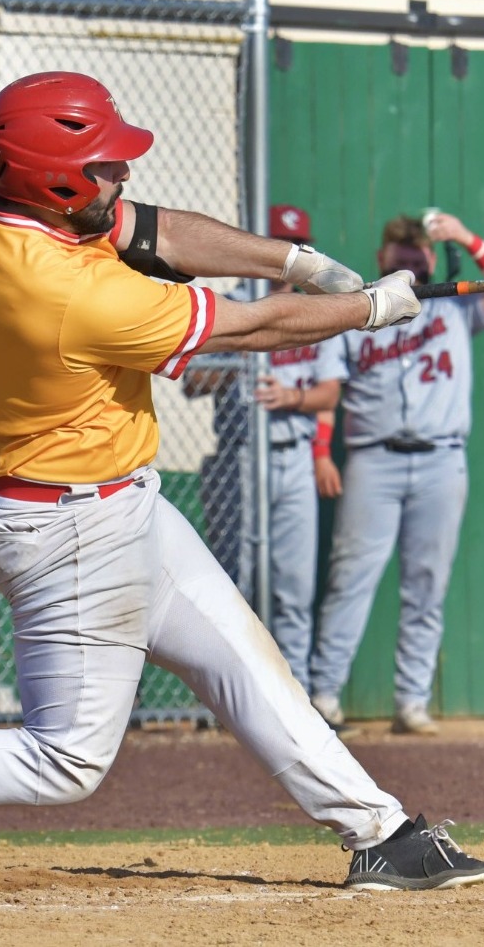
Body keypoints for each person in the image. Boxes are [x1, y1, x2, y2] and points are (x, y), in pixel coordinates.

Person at [0, 71, 484, 894]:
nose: (120, 175)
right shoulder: (72, 296)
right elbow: (252, 327)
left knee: (245, 662)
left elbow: (153, 231)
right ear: (54, 182)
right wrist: (369, 309)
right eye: (103, 165)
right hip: (66, 532)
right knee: (65, 763)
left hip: (122, 506)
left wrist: (294, 260)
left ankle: (382, 834)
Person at [308, 211, 484, 736]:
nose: (407, 266)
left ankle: (412, 702)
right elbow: (329, 390)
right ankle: (324, 697)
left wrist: (466, 238)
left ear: (428, 261)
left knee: (427, 584)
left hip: (441, 459)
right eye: (398, 259)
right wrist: (320, 449)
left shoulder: (452, 307)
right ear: (382, 261)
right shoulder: (358, 314)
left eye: (416, 259)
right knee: (350, 580)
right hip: (373, 459)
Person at [182, 203, 347, 687]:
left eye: (300, 246)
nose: (292, 253)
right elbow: (194, 383)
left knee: (294, 589)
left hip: (291, 454)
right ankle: (231, 693)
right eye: (283, 244)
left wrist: (293, 397)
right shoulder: (235, 300)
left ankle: (295, 697)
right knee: (236, 584)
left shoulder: (321, 305)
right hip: (238, 455)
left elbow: (330, 392)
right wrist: (239, 342)